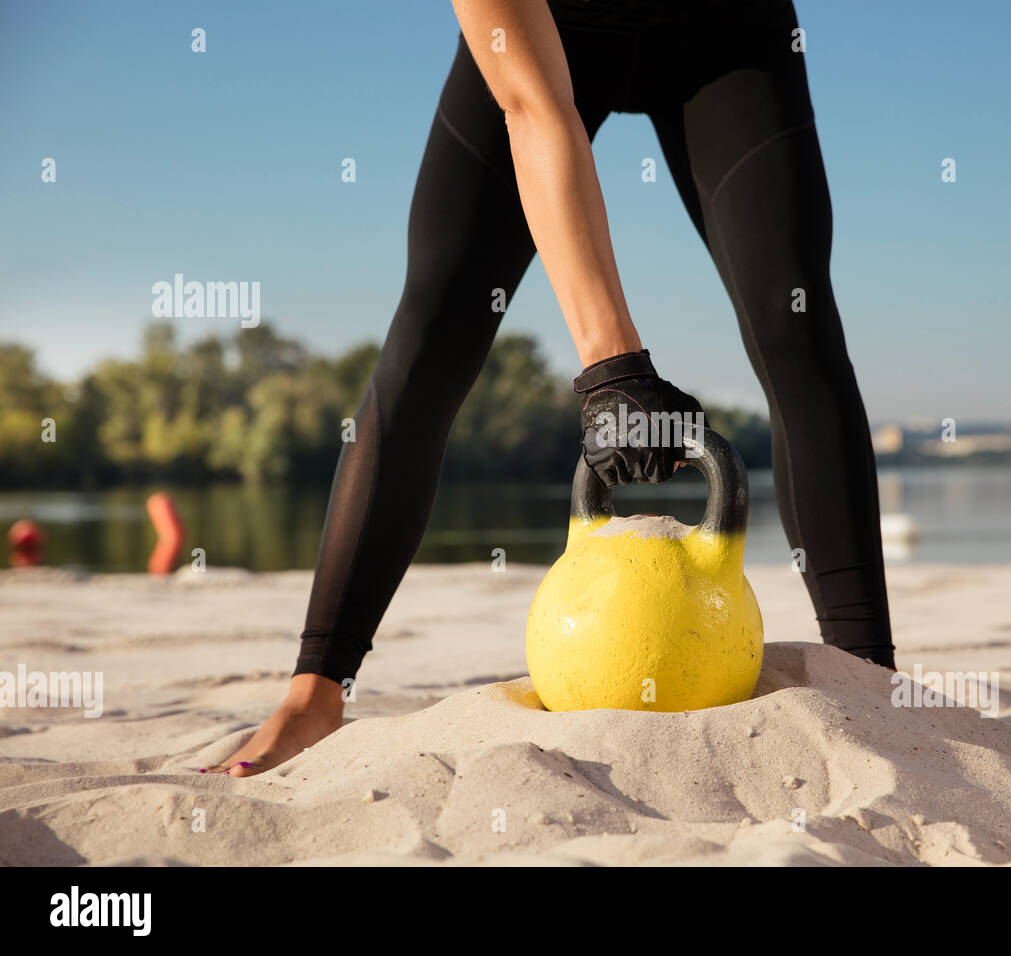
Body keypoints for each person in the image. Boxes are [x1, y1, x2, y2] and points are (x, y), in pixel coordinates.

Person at [202, 0, 894, 777]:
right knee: (436, 324)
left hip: (726, 31)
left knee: (793, 316)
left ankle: (869, 680)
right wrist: (613, 369)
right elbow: (535, 106)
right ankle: (313, 695)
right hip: (545, 26)